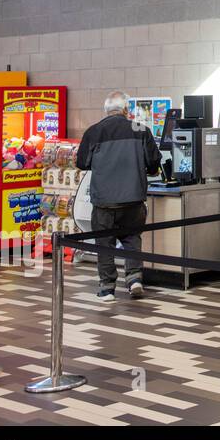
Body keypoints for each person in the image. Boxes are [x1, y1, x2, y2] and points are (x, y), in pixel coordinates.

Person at [77, 91, 160, 302]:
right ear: (126, 110)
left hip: (104, 202)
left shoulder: (94, 132)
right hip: (133, 199)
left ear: (106, 111)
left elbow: (82, 163)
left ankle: (107, 289)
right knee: (132, 240)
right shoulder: (141, 130)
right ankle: (134, 280)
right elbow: (153, 164)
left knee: (104, 244)